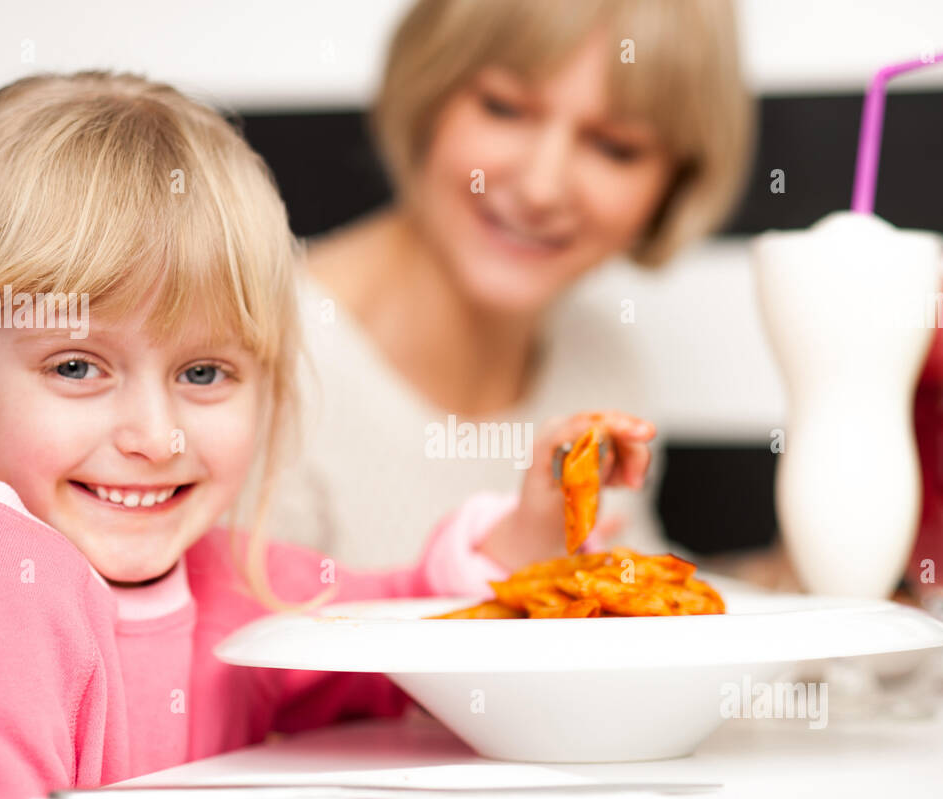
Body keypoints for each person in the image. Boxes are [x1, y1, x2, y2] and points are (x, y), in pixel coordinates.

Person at [0, 71, 657, 799]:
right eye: (77, 366)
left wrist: (528, 534)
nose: (155, 437)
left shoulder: (224, 581)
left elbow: (395, 637)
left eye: (203, 374)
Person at [263, 0, 754, 568]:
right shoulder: (253, 358)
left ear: (674, 183)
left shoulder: (600, 363)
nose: (542, 188)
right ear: (428, 94)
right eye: (504, 108)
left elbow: (630, 604)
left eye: (615, 146)